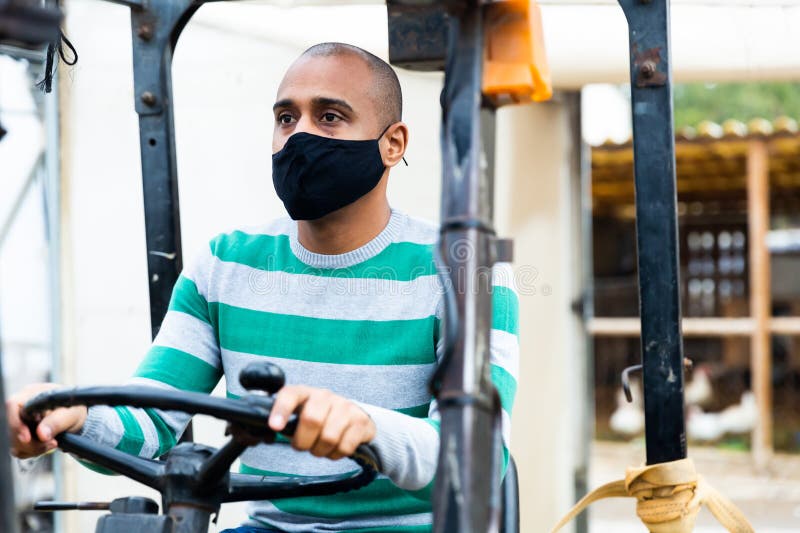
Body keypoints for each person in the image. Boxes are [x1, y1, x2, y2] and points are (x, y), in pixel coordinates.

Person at [7, 42, 519, 532]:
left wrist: (365, 426)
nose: (298, 137)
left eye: (329, 117)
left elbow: (477, 460)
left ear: (393, 144)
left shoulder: (470, 268)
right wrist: (72, 417)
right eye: (286, 118)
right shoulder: (227, 264)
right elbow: (152, 422)